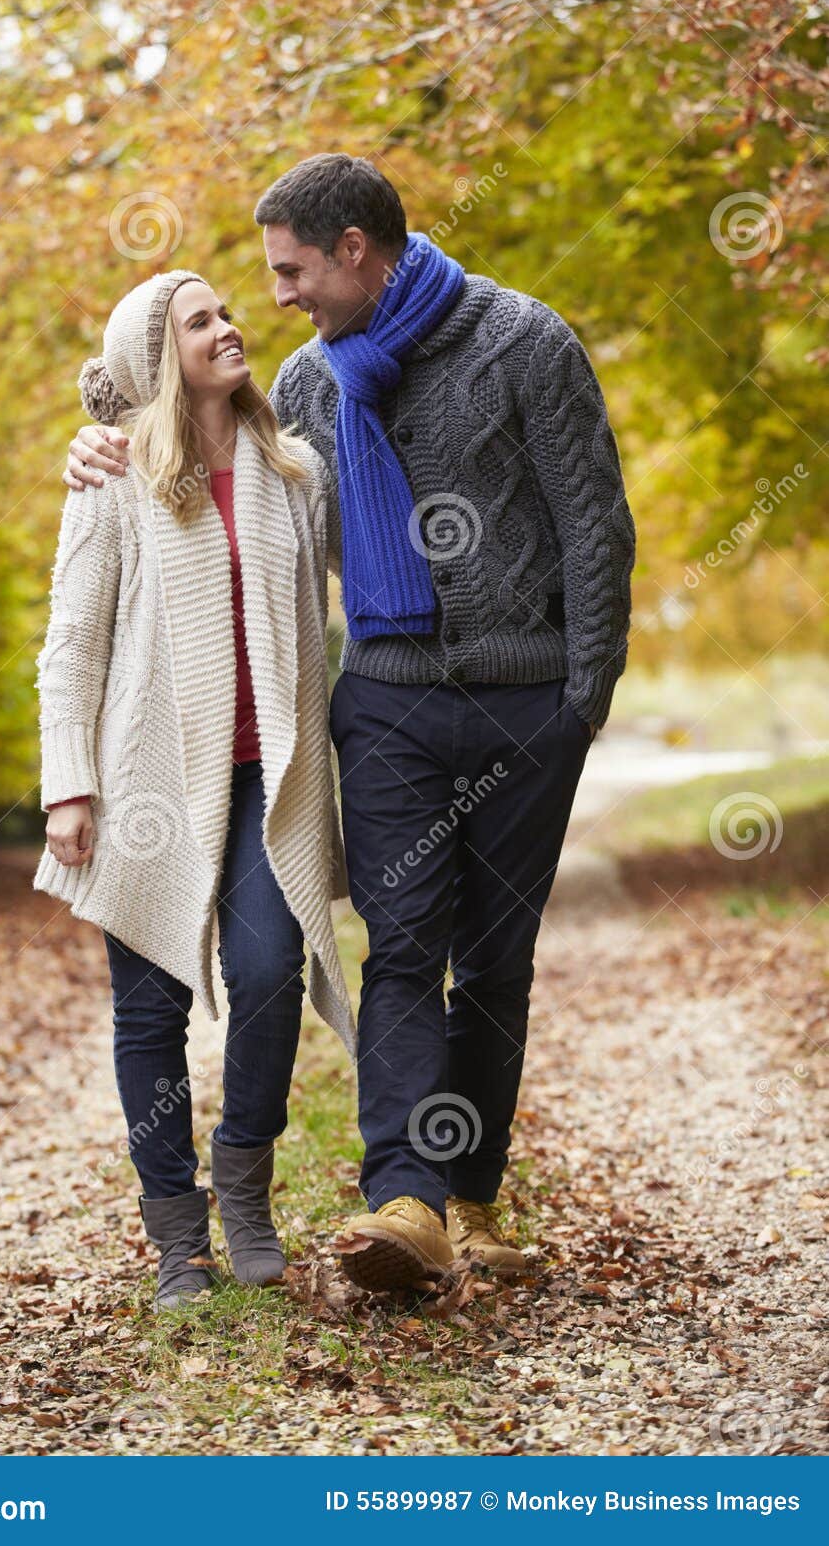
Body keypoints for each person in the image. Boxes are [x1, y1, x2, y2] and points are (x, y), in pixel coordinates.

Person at [60, 155, 637, 1292]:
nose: (275, 296)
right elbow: (204, 456)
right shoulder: (311, 382)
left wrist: (581, 701)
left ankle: (469, 1194)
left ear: (352, 252)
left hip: (527, 705)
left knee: (498, 960)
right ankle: (403, 1199)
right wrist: (98, 436)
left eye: (288, 270)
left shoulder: (525, 340)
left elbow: (593, 527)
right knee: (404, 946)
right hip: (384, 704)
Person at [34, 268, 355, 1311]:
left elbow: (337, 608)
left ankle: (245, 1179)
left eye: (225, 311)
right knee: (149, 1012)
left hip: (271, 779)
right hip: (147, 783)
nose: (230, 327)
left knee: (267, 974)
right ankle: (177, 1236)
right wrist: (67, 786)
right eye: (201, 321)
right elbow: (72, 645)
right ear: (153, 358)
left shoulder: (292, 468)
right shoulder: (112, 477)